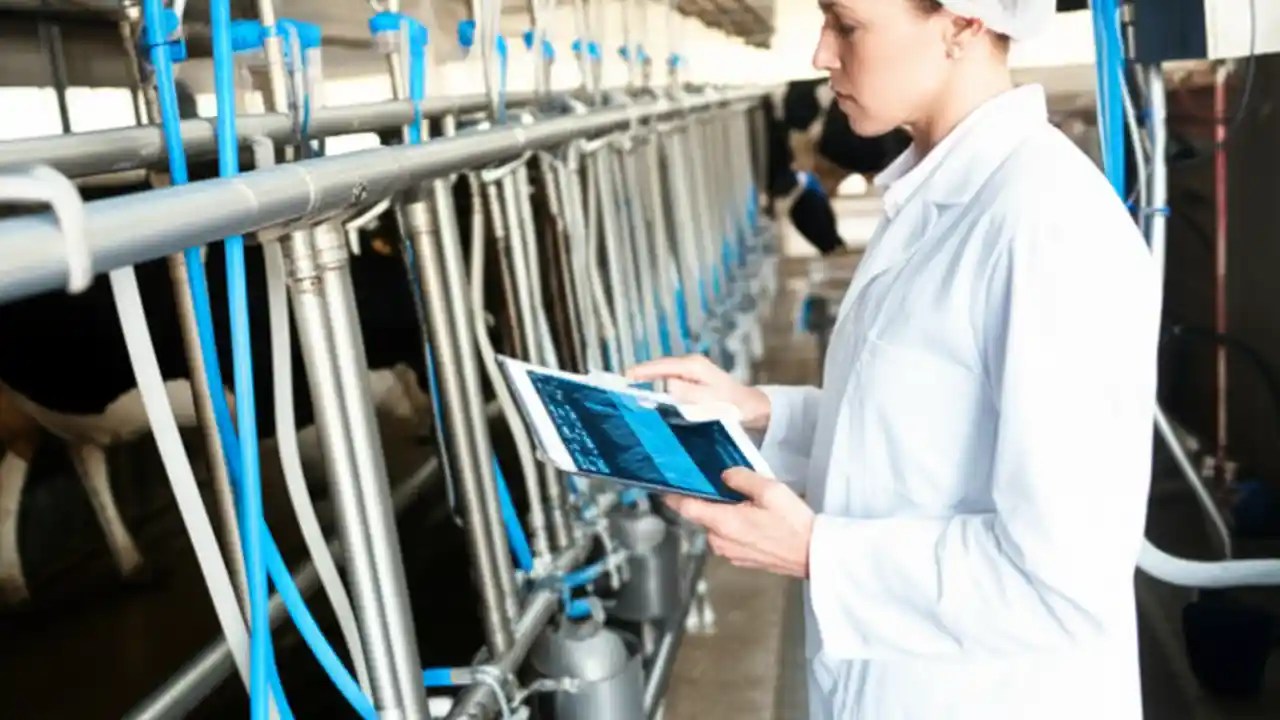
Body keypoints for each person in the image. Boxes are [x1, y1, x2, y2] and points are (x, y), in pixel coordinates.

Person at [628, 1, 1160, 718]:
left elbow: (1059, 581)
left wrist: (820, 553)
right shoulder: (939, 196)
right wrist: (761, 413)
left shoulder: (1046, 225)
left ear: (962, 24)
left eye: (846, 24)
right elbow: (923, 434)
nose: (821, 53)